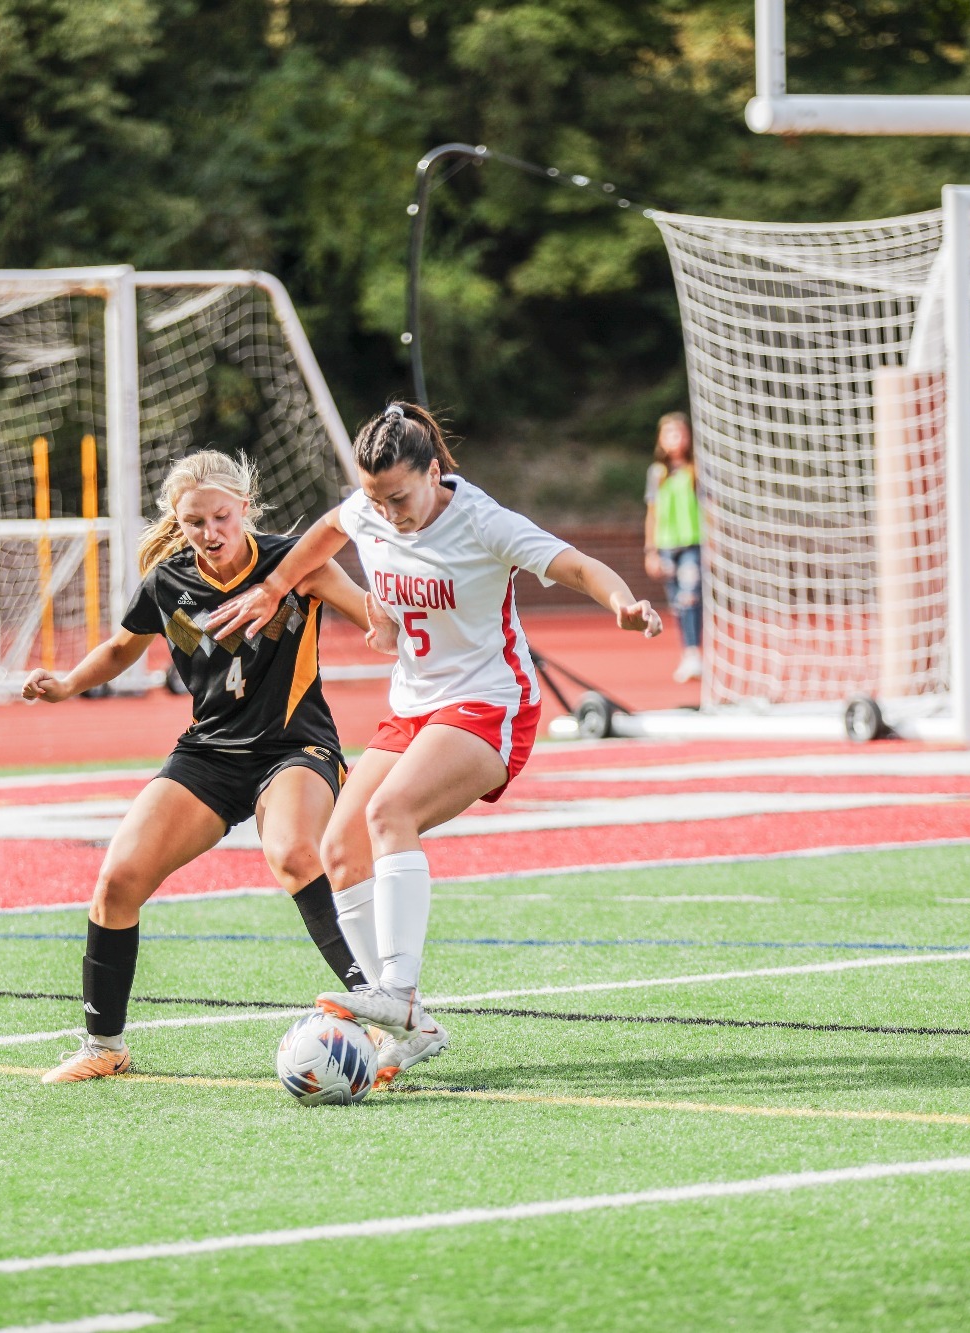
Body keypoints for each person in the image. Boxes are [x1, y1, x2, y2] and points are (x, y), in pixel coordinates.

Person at [209, 402, 662, 1087]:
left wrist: (623, 602)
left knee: (390, 811)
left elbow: (574, 566)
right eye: (374, 497)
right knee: (337, 847)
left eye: (398, 497)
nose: (386, 513)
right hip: (414, 707)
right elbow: (329, 531)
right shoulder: (369, 507)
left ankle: (396, 992)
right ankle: (413, 1025)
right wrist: (275, 587)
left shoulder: (483, 523)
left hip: (490, 706)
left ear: (433, 472)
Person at [22, 450, 392, 1081]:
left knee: (295, 854)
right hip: (209, 753)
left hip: (295, 746)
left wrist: (405, 618)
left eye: (222, 517)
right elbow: (121, 649)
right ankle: (104, 1046)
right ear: (179, 521)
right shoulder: (168, 584)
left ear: (245, 509)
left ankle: (389, 1018)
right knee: (117, 882)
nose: (211, 532)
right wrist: (66, 684)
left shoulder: (294, 562)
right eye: (196, 522)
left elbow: (376, 621)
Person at [645, 411, 704, 683]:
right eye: (669, 433)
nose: (675, 438)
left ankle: (694, 653)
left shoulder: (697, 469)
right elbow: (652, 513)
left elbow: (708, 507)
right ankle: (687, 651)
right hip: (666, 546)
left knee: (690, 597)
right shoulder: (657, 473)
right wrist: (651, 550)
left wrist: (713, 543)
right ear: (661, 439)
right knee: (677, 605)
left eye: (680, 433)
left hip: (693, 543)